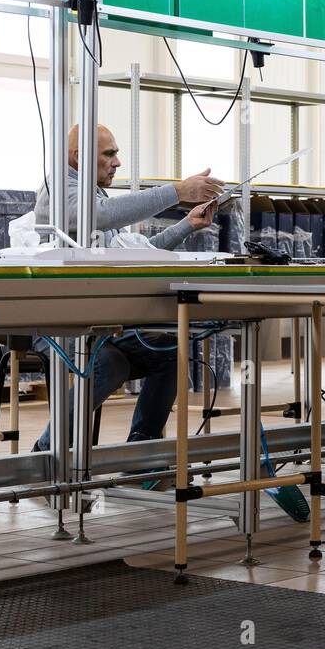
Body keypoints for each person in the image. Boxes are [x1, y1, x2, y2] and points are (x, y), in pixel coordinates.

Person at [31, 124, 223, 455]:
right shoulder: (58, 193)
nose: (117, 162)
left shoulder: (93, 192)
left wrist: (186, 224)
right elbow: (100, 216)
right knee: (109, 363)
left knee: (168, 354)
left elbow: (139, 250)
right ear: (79, 157)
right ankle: (48, 453)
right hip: (61, 323)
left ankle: (142, 452)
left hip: (104, 319)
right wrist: (176, 192)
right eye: (109, 154)